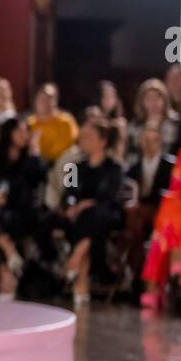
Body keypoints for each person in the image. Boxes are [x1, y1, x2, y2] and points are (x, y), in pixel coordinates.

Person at [47, 117, 125, 307]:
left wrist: (85, 204)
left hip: (105, 214)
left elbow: (110, 197)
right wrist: (73, 205)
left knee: (94, 215)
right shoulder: (75, 166)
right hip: (81, 218)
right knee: (59, 220)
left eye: (89, 137)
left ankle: (75, 263)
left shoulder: (114, 167)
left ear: (102, 141)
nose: (83, 140)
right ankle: (78, 269)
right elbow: (69, 194)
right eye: (82, 137)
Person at [0, 115, 45, 300]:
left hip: (23, 216)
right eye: (19, 130)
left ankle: (7, 264)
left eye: (25, 131)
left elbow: (38, 176)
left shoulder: (29, 160)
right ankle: (8, 261)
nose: (24, 135)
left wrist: (35, 149)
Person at [141, 110, 181, 308]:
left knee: (166, 219)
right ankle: (178, 256)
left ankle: (153, 287)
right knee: (171, 203)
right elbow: (177, 188)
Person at [125, 124, 176, 280]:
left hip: (161, 211)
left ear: (160, 141)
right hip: (139, 213)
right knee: (136, 222)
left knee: (136, 220)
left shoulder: (171, 165)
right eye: (146, 139)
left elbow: (173, 192)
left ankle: (138, 272)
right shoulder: (133, 168)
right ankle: (140, 270)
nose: (149, 143)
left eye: (153, 140)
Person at [28, 82, 78, 163]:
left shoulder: (66, 121)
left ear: (56, 100)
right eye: (42, 98)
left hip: (62, 164)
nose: (45, 102)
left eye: (50, 98)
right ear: (35, 100)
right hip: (37, 165)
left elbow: (68, 149)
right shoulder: (29, 123)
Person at [129, 78, 181, 155]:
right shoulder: (135, 125)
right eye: (149, 98)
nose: (153, 102)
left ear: (165, 99)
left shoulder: (176, 123)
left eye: (157, 97)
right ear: (141, 101)